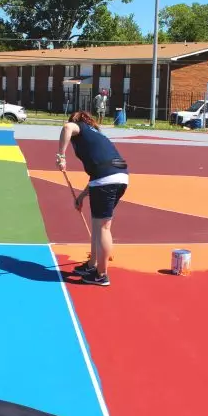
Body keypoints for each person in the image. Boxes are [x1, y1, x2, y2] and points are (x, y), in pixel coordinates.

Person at [56, 110, 128, 287]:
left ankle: (101, 275)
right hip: (119, 177)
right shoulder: (97, 134)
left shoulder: (78, 126)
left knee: (103, 227)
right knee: (97, 225)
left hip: (106, 179)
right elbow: (98, 174)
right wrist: (81, 196)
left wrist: (61, 156)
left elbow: (66, 127)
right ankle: (92, 265)